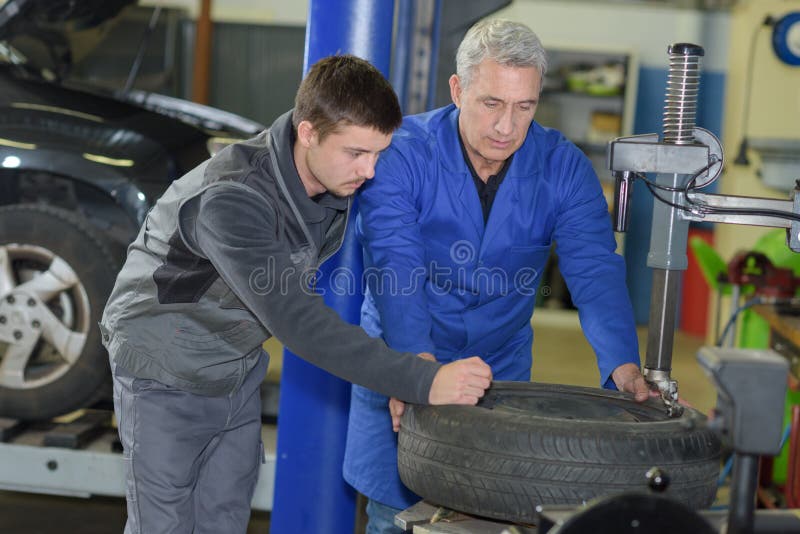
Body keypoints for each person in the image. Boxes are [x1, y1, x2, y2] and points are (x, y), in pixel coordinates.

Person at [99, 54, 493, 534]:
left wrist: (414, 363)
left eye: (378, 154)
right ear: (308, 132)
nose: (369, 172)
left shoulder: (328, 183)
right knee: (164, 527)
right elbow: (297, 320)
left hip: (232, 365)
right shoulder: (232, 199)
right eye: (355, 153)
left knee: (223, 520)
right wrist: (417, 380)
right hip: (162, 371)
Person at [342, 19, 651, 533]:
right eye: (491, 104)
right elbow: (395, 267)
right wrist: (415, 373)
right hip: (404, 352)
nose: (508, 126)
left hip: (498, 375)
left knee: (489, 517)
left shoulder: (562, 168)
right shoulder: (401, 154)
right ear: (458, 89)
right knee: (395, 517)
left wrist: (622, 364)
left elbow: (594, 269)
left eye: (524, 107)